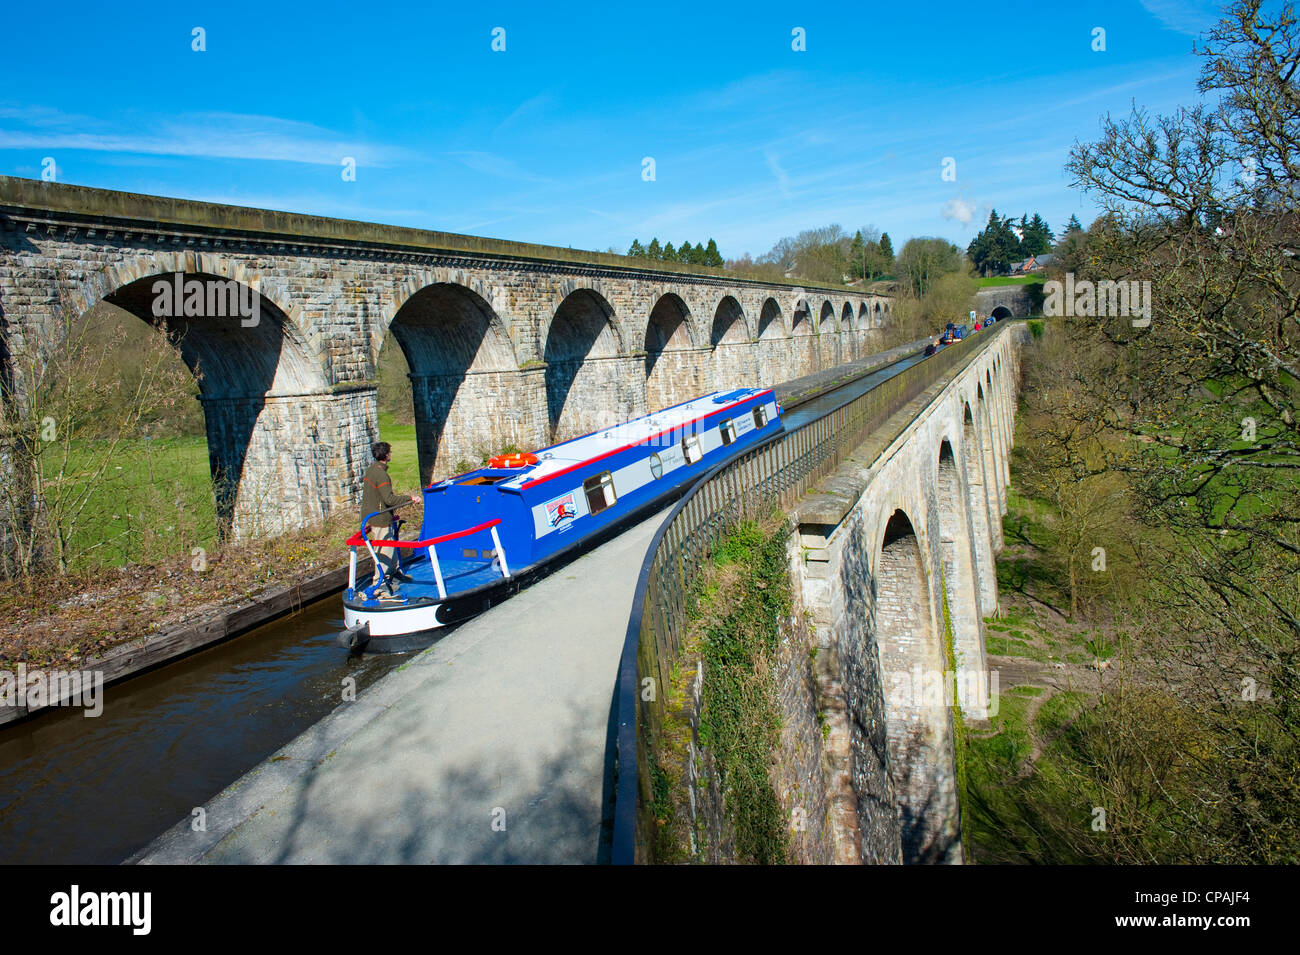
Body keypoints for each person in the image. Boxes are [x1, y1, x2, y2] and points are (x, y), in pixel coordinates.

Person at [360, 441, 419, 593]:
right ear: (386, 455)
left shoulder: (372, 470)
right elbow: (389, 499)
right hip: (380, 519)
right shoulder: (381, 475)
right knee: (384, 551)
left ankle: (395, 574)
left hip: (375, 515)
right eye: (390, 453)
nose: (391, 455)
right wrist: (410, 499)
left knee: (391, 548)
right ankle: (380, 585)